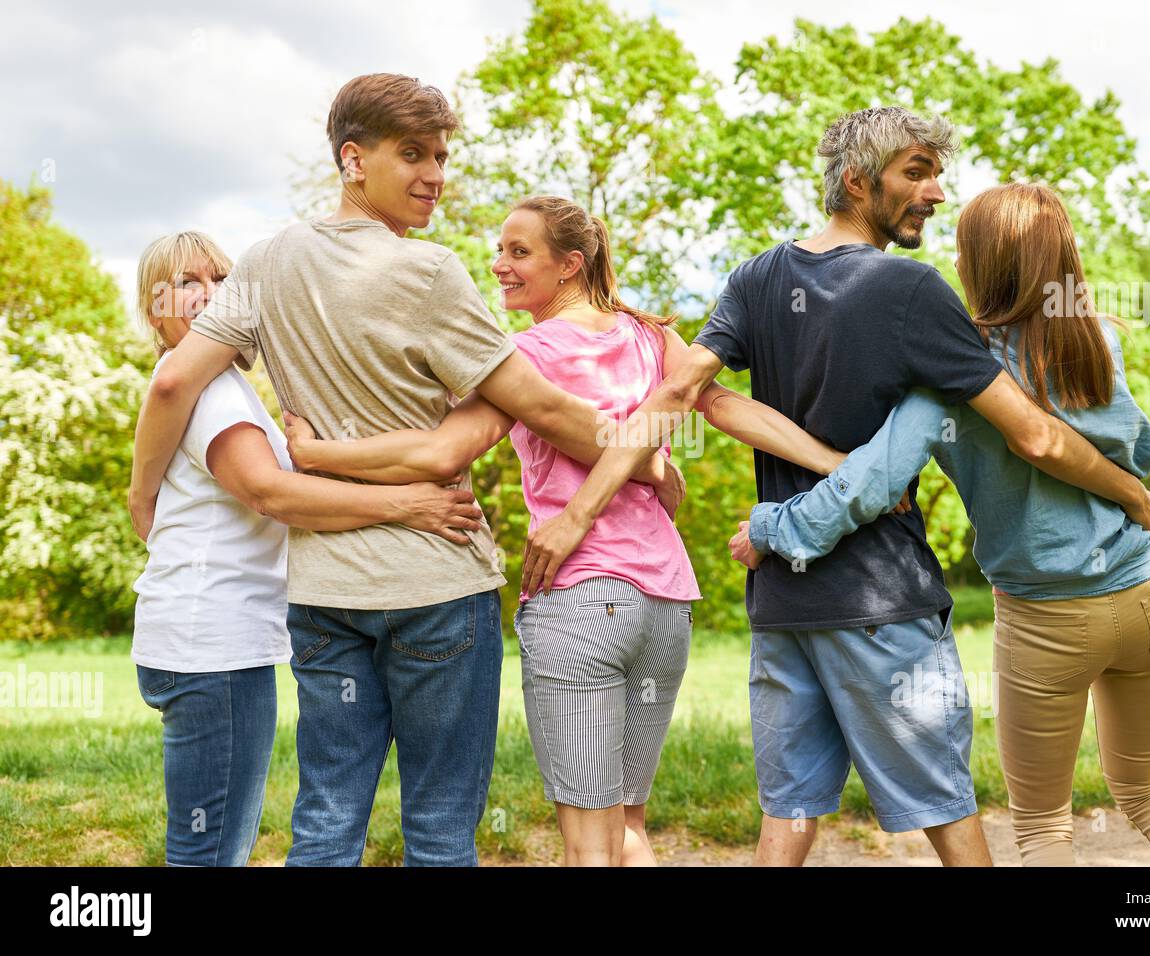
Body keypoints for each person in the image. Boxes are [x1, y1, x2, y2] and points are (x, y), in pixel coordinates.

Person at [521, 107, 1150, 867]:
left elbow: (681, 397)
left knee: (787, 816)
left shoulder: (756, 276)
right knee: (949, 811)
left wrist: (574, 518)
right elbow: (1034, 434)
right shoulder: (915, 292)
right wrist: (1128, 489)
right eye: (915, 173)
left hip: (785, 603)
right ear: (858, 181)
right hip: (883, 601)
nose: (933, 193)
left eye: (936, 175)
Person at [128, 74, 684, 866]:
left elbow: (175, 379)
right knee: (438, 828)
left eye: (442, 156)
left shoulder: (265, 260)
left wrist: (141, 491)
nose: (435, 175)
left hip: (323, 596)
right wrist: (641, 456)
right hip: (436, 588)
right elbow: (546, 410)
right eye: (413, 154)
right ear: (353, 159)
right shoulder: (430, 272)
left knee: (325, 820)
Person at [284, 195, 847, 865]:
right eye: (501, 251)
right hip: (665, 605)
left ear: (570, 264)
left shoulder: (522, 355)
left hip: (578, 594)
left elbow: (439, 455)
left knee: (587, 844)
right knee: (629, 827)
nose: (499, 266)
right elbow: (723, 406)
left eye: (519, 253)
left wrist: (316, 455)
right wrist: (838, 467)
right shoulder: (648, 335)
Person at [738, 182, 1150, 867]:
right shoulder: (1097, 340)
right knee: (1146, 788)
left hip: (1048, 615)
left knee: (1042, 828)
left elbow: (872, 482)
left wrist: (772, 527)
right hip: (1144, 590)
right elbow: (1137, 452)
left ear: (977, 264)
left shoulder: (949, 370)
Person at [131, 230, 483, 866]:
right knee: (210, 851)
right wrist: (411, 504)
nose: (209, 295)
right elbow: (273, 495)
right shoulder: (211, 392)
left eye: (220, 280)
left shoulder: (208, 388)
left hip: (198, 636)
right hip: (213, 643)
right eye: (187, 283)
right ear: (154, 307)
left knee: (224, 840)